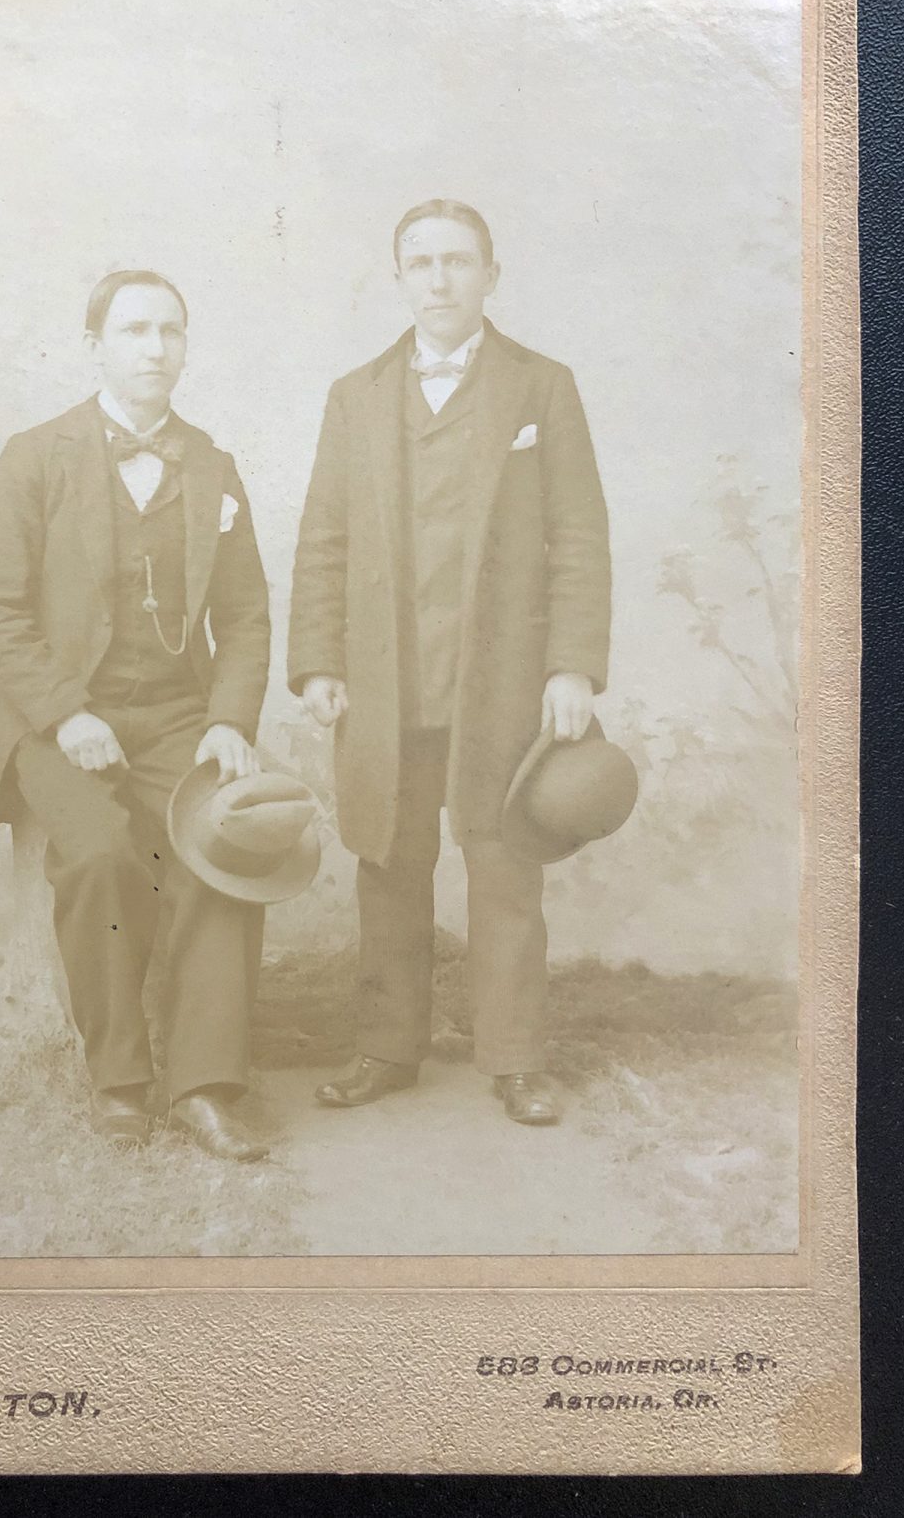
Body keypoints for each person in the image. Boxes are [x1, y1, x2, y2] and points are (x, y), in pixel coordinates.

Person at [288, 199, 611, 1126]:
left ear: (491, 276)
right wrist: (316, 661)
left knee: (504, 864)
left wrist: (573, 666)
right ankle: (388, 1047)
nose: (440, 279)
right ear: (398, 279)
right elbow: (325, 537)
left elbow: (579, 535)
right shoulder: (356, 395)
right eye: (421, 263)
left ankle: (515, 1057)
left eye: (459, 262)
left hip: (500, 681)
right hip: (385, 684)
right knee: (388, 862)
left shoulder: (541, 387)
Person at [0, 269, 272, 1162]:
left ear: (185, 346)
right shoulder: (36, 454)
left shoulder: (213, 465)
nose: (154, 348)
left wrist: (228, 718)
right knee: (101, 855)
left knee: (226, 848)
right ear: (95, 343)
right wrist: (65, 715)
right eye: (134, 330)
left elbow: (248, 614)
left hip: (180, 715)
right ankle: (120, 1081)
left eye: (170, 331)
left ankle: (206, 1086)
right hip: (60, 722)